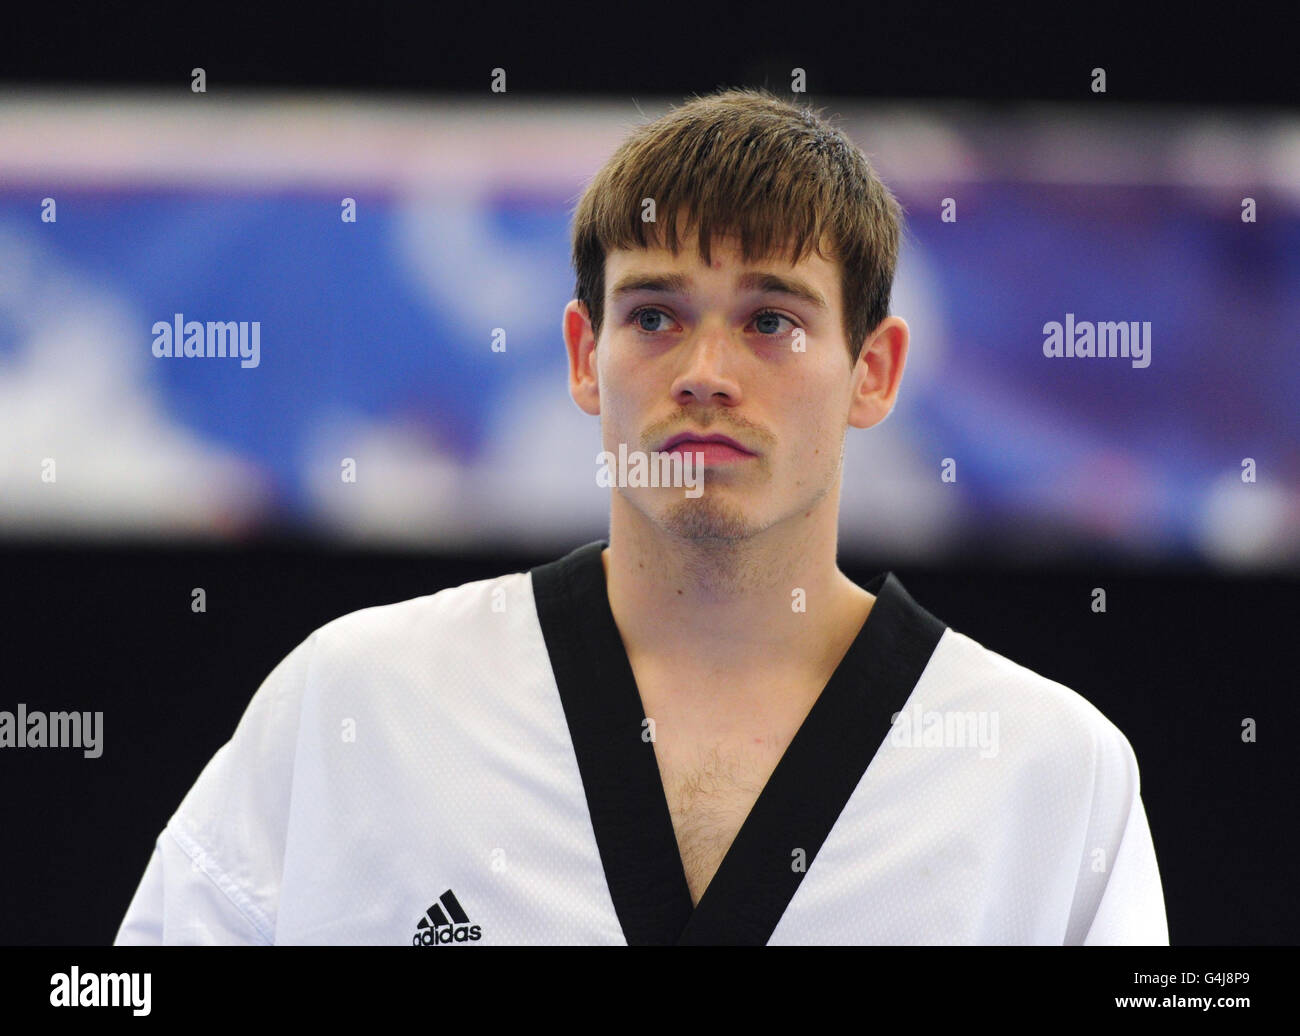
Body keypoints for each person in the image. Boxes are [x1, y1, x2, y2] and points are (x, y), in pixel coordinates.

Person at [115, 87, 1168, 945]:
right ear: (583, 355)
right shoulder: (355, 706)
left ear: (874, 371)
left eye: (771, 319)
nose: (706, 373)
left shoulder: (1049, 772)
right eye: (655, 315)